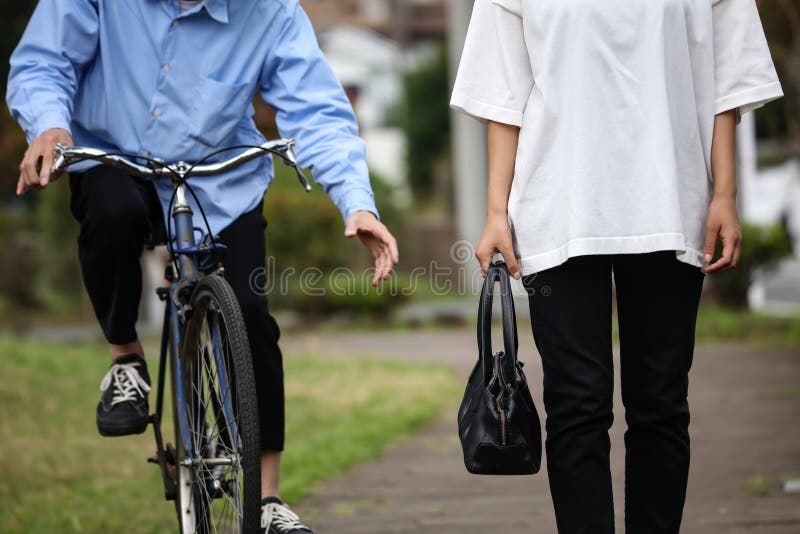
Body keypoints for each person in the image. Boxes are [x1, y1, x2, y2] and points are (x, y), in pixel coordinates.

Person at [7, 1, 399, 532]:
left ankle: (267, 501)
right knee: (113, 214)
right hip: (114, 157)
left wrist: (357, 202)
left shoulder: (268, 10)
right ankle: (125, 358)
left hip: (217, 179)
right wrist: (50, 125)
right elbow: (44, 62)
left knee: (251, 314)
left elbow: (317, 110)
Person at [452, 0, 782, 533]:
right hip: (558, 208)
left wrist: (725, 193)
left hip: (672, 204)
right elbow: (503, 94)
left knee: (661, 404)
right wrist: (495, 211)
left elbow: (728, 83)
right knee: (575, 406)